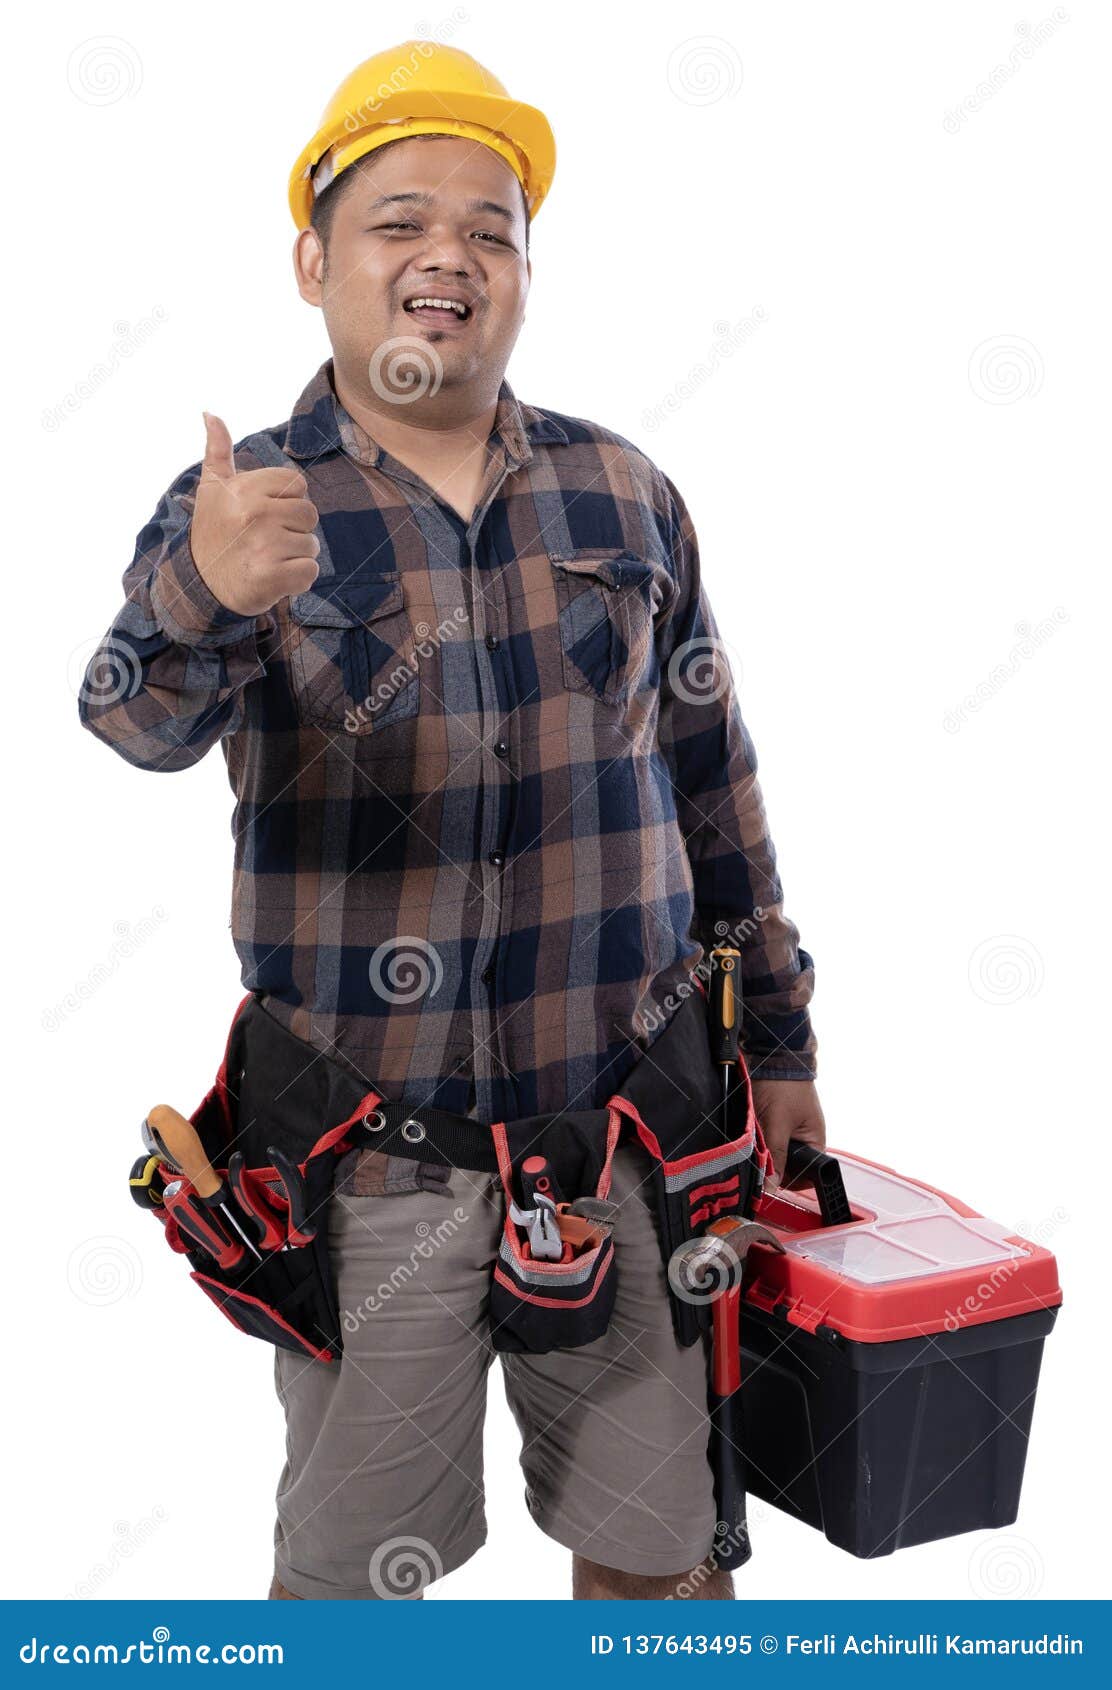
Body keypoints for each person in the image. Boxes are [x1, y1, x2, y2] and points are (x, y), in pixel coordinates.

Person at [81, 41, 824, 1601]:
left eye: (492, 228)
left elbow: (714, 784)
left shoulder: (624, 494)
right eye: (399, 220)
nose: (450, 256)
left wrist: (791, 1051)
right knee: (357, 1588)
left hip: (622, 1145)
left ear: (524, 276)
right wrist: (205, 592)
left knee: (664, 1564)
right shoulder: (246, 501)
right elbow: (134, 719)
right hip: (368, 1170)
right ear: (315, 260)